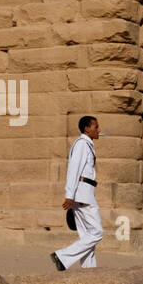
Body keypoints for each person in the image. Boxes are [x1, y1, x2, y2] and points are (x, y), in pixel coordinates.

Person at [51, 115, 103, 271]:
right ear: (87, 129)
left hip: (83, 193)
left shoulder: (86, 144)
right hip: (82, 194)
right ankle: (62, 256)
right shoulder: (81, 145)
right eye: (96, 127)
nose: (99, 130)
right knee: (97, 232)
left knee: (87, 235)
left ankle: (90, 272)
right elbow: (73, 170)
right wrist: (69, 195)